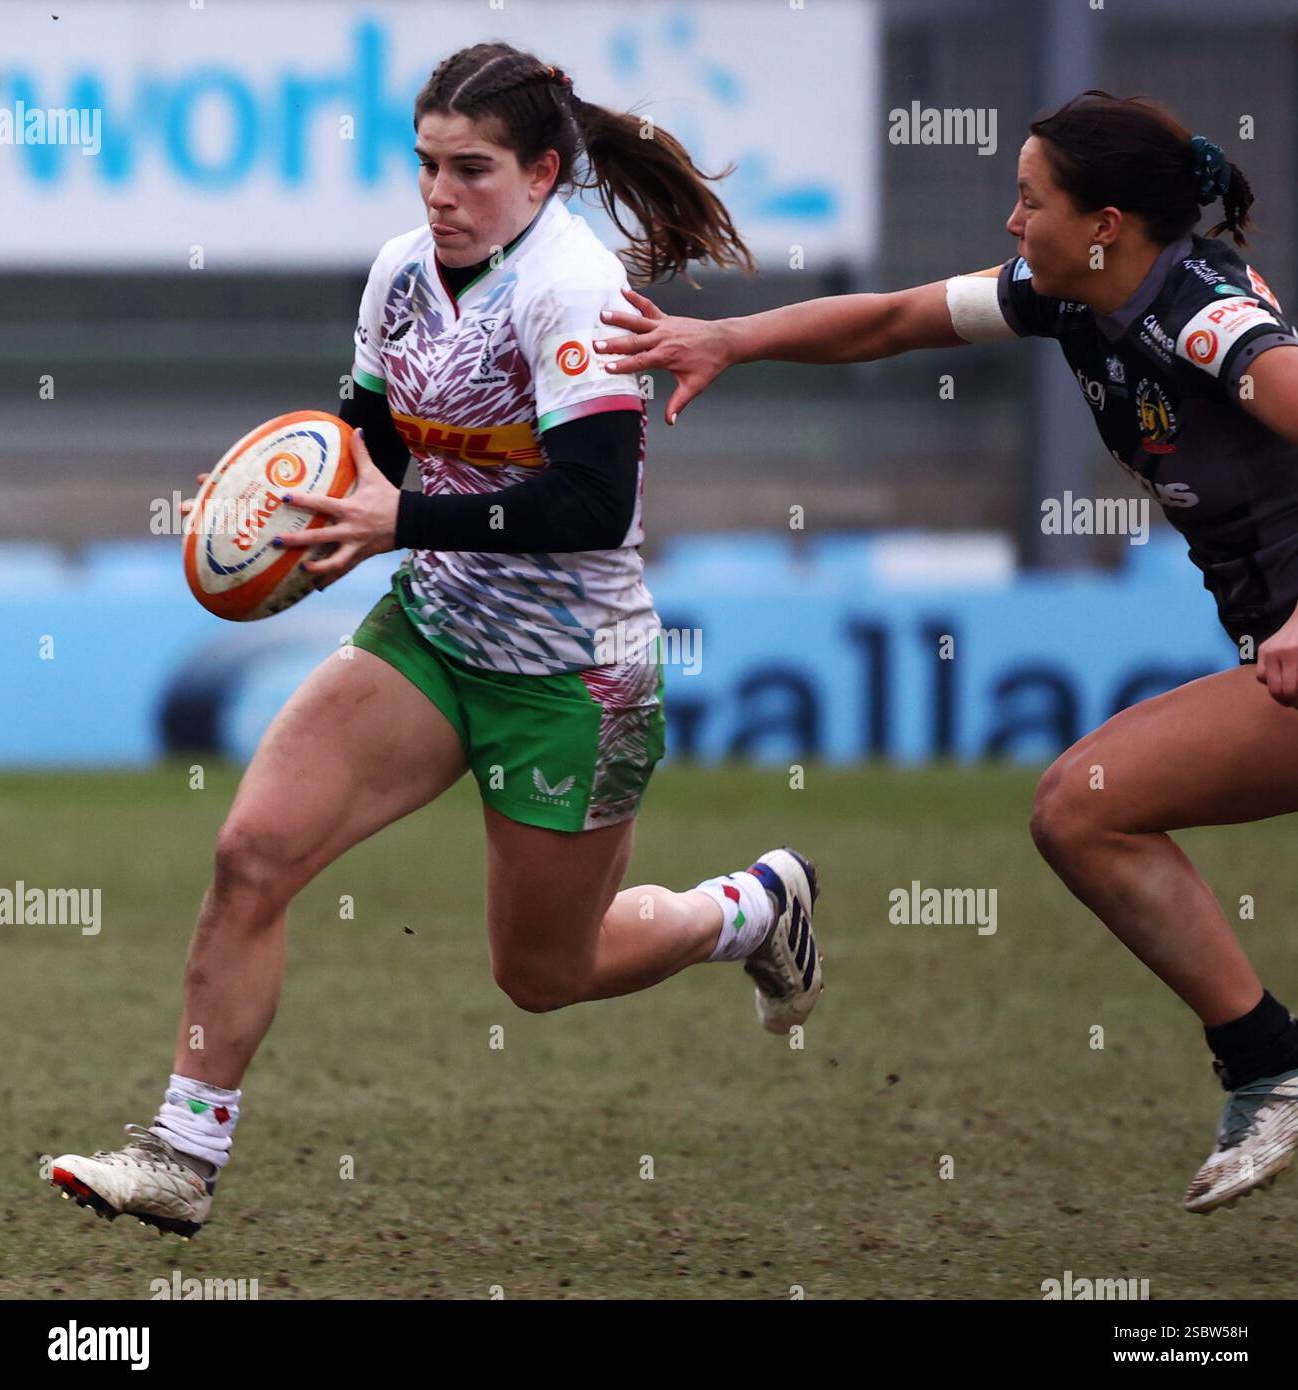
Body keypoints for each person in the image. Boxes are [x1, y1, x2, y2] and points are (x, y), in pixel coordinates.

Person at [47, 42, 821, 1239]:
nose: (439, 194)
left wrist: (396, 515)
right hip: (435, 630)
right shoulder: (402, 275)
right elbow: (374, 436)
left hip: (575, 673)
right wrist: (280, 499)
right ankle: (180, 1155)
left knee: (543, 974)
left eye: (471, 169)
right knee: (253, 850)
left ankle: (753, 909)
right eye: (425, 166)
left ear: (545, 174)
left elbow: (591, 500)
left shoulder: (574, 287)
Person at [594, 89, 1298, 1215]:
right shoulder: (1071, 299)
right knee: (1084, 808)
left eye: (1031, 201)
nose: (1012, 223)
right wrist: (726, 336)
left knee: (1083, 804)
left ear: (1104, 222)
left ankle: (1268, 1067)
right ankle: (1267, 1061)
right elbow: (888, 321)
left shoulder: (1202, 321)